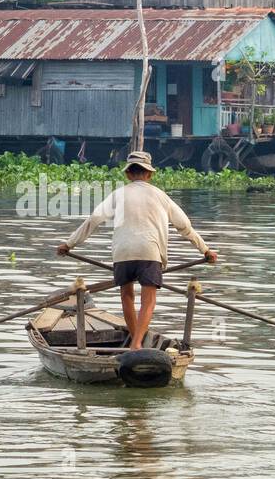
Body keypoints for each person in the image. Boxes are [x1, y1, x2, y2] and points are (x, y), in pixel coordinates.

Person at [56, 150, 216, 350]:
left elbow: (94, 220)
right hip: (150, 252)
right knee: (148, 300)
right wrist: (206, 250)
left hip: (122, 253)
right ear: (150, 174)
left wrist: (69, 244)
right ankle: (137, 344)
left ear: (128, 174)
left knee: (126, 296)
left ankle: (135, 342)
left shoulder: (118, 195)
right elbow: (184, 226)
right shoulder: (161, 196)